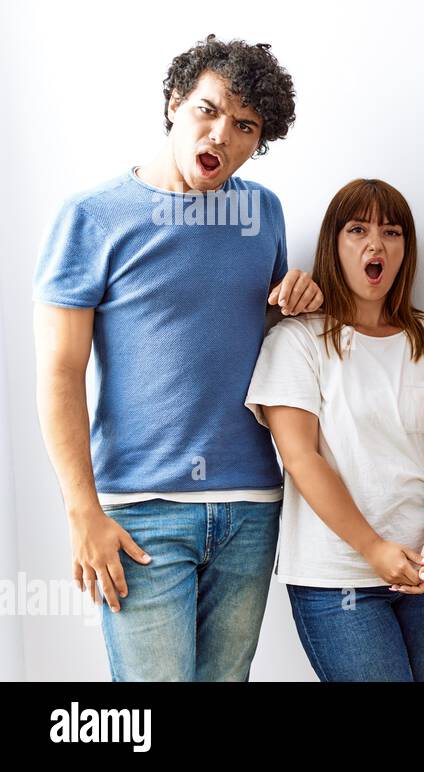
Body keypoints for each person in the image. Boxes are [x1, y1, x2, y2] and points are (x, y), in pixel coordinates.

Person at [32, 35, 322, 681]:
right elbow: (59, 371)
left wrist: (295, 302)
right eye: (208, 110)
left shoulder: (262, 212)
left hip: (250, 503)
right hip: (140, 510)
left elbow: (251, 328)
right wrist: (83, 511)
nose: (221, 134)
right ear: (174, 104)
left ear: (259, 141)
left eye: (245, 126)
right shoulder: (93, 216)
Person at [246, 178, 424, 681]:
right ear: (334, 243)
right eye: (357, 230)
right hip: (336, 576)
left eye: (391, 232)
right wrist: (374, 549)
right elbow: (301, 459)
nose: (375, 245)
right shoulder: (297, 340)